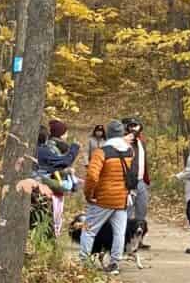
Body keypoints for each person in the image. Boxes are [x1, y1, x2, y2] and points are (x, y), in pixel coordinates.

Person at [80, 118, 138, 273]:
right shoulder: (129, 151)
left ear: (108, 133)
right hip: (122, 198)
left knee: (89, 230)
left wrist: (88, 194)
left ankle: (84, 262)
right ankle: (114, 263)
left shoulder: (102, 152)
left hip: (103, 198)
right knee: (119, 232)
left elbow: (92, 176)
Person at [33, 120, 79, 237]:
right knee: (50, 216)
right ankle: (49, 239)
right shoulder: (44, 150)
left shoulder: (35, 149)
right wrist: (74, 148)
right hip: (45, 187)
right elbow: (62, 162)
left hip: (40, 186)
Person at [125, 117, 151, 257]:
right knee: (128, 211)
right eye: (131, 125)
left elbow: (144, 161)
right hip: (130, 182)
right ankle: (126, 240)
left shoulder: (142, 141)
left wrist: (146, 178)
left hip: (141, 181)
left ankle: (139, 240)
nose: (134, 128)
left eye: (136, 125)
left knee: (142, 210)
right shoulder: (126, 142)